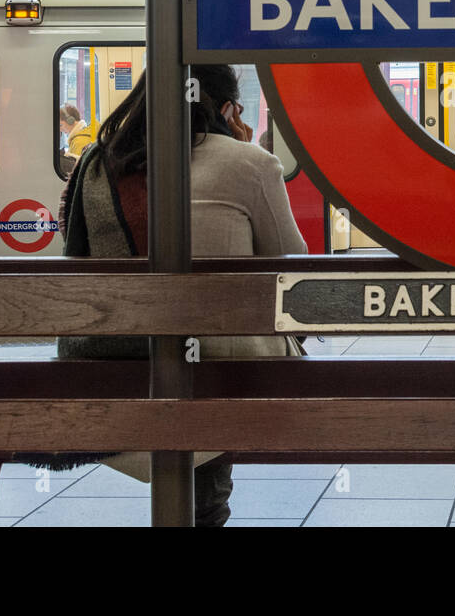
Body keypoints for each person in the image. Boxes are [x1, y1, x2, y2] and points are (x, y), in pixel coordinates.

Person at [42, 65, 308, 526]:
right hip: (216, 371)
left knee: (182, 341)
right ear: (226, 108)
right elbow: (289, 262)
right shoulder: (249, 162)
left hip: (117, 363)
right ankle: (205, 506)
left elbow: (77, 244)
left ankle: (196, 503)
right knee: (217, 342)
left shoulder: (99, 163)